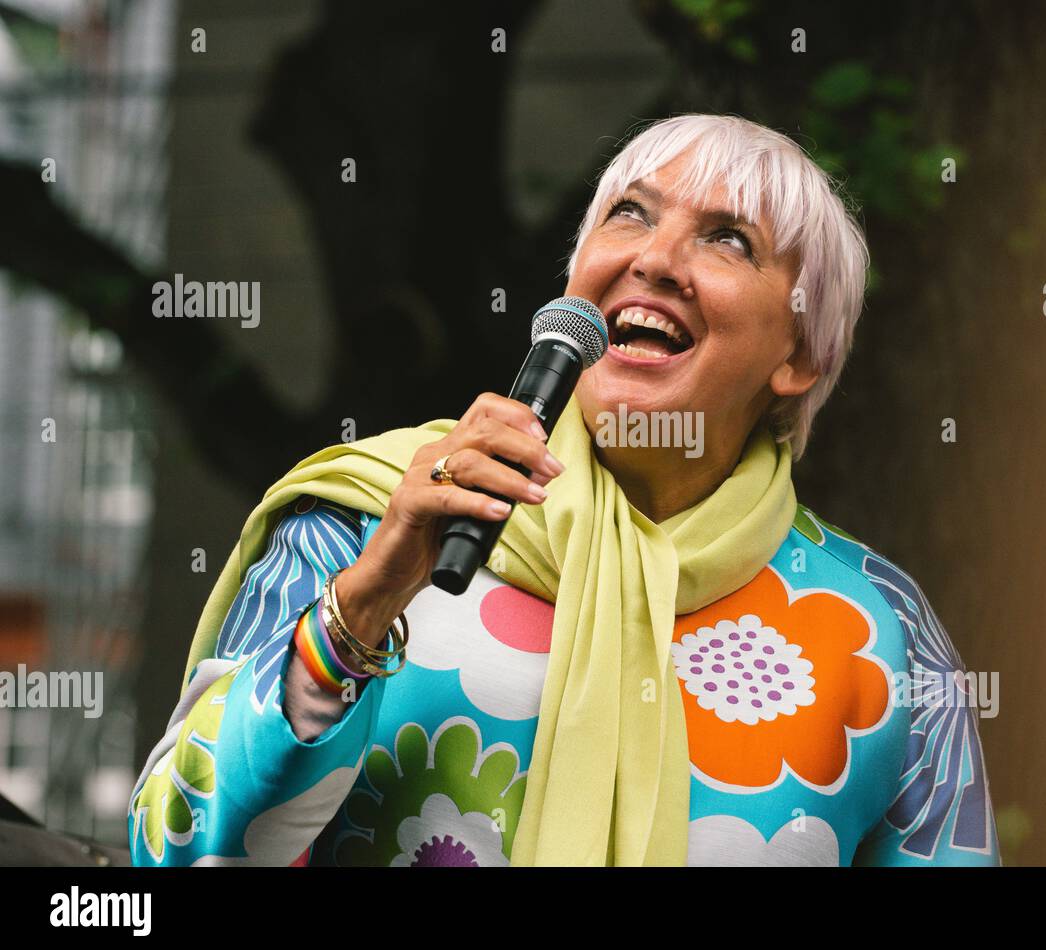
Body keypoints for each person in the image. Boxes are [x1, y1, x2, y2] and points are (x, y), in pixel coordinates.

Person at [129, 113, 999, 867]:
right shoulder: (360, 524)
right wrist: (362, 608)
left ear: (801, 356)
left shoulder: (884, 627)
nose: (656, 259)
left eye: (728, 238)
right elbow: (176, 847)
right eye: (630, 214)